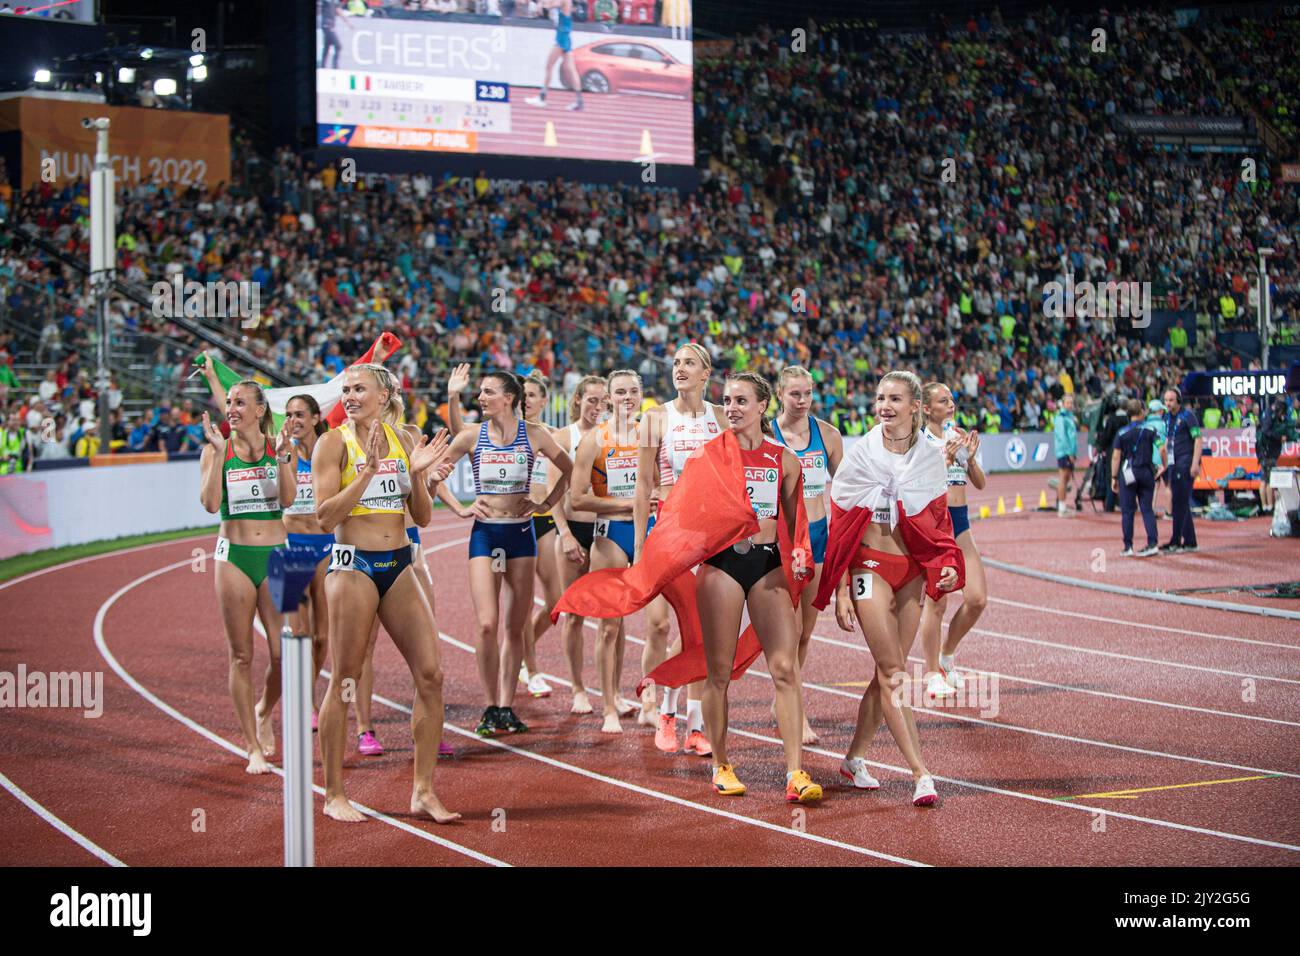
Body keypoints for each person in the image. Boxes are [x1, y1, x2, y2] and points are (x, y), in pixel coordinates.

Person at [313, 363, 458, 823]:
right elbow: (324, 517)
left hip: (399, 562)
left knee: (431, 675)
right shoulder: (332, 442)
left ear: (384, 394)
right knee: (346, 677)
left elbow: (423, 516)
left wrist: (416, 475)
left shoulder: (406, 437)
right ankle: (334, 793)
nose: (350, 396)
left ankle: (423, 791)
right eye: (346, 390)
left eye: (359, 389)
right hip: (352, 565)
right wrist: (366, 474)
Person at [815, 370, 964, 807]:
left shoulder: (932, 456)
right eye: (880, 397)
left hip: (911, 572)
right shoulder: (862, 452)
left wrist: (948, 565)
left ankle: (854, 757)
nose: (885, 406)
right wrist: (842, 588)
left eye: (895, 399)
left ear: (915, 406)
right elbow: (842, 524)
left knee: (888, 671)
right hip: (870, 567)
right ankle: (921, 773)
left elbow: (939, 523)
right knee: (893, 671)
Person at [698, 373, 822, 802]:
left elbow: (795, 520)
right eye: (727, 401)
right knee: (719, 672)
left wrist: (802, 552)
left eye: (741, 401)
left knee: (785, 669)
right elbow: (692, 515)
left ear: (762, 406)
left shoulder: (783, 459)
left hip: (767, 563)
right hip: (722, 564)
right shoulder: (710, 457)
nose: (731, 408)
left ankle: (795, 772)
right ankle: (720, 764)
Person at [442, 371, 573, 736]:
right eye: (480, 391)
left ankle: (504, 706)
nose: (481, 397)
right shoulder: (472, 434)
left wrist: (546, 502)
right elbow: (435, 475)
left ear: (510, 398)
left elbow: (569, 468)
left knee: (514, 628)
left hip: (520, 537)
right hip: (485, 536)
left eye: (488, 392)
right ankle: (488, 706)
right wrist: (459, 507)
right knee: (487, 624)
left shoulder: (534, 435)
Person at [197, 380, 297, 774]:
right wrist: (219, 457)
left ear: (260, 411)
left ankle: (264, 710)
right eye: (229, 402)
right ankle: (252, 747)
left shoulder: (278, 447)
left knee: (282, 653)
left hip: (275, 553)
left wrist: (286, 457)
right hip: (233, 555)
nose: (231, 408)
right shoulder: (214, 448)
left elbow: (288, 500)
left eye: (240, 403)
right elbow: (208, 504)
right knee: (241, 655)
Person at [634, 342, 724, 755]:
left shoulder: (720, 418)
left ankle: (693, 724)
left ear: (707, 373)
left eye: (689, 362)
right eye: (675, 363)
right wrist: (639, 548)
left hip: (711, 536)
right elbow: (641, 486)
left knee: (704, 632)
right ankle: (667, 712)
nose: (680, 368)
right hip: (670, 531)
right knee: (678, 624)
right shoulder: (656, 417)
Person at [770, 365, 843, 745]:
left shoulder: (827, 435)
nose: (802, 401)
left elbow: (846, 492)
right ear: (780, 394)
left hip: (818, 536)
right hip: (784, 540)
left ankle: (783, 699)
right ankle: (793, 710)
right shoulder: (768, 434)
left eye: (807, 393)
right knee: (790, 628)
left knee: (806, 632)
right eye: (794, 394)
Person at [569, 369, 642, 732]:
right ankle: (608, 705)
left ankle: (649, 700)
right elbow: (577, 498)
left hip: (647, 531)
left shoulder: (651, 435)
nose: (626, 397)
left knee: (654, 623)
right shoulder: (594, 440)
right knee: (609, 626)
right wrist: (624, 504)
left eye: (633, 391)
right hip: (610, 534)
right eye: (620, 392)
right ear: (609, 398)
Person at [917, 382, 986, 699]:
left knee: (976, 599)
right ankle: (931, 672)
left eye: (952, 400)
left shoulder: (960, 436)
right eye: (944, 401)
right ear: (927, 408)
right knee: (937, 602)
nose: (952, 404)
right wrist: (942, 459)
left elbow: (981, 483)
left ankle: (947, 654)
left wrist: (969, 459)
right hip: (935, 524)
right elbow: (917, 484)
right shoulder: (920, 441)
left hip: (960, 522)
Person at [547, 375, 607, 712]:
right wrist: (565, 533)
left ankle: (608, 691)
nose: (597, 407)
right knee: (573, 615)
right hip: (571, 529)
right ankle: (578, 688)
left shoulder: (612, 436)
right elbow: (554, 494)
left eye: (602, 401)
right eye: (591, 400)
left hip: (604, 532)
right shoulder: (563, 437)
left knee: (612, 616)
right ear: (578, 400)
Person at [280, 395, 333, 732]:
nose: (294, 420)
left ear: (316, 417)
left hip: (328, 545)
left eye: (300, 414)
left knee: (322, 637)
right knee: (298, 633)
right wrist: (283, 454)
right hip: (291, 547)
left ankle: (307, 691)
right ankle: (305, 701)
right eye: (288, 415)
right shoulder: (281, 450)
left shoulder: (329, 451)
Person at [1111, 399, 1163, 558]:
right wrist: (1163, 465)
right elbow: (1162, 448)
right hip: (1146, 472)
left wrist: (1113, 477)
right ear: (1141, 413)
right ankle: (1153, 543)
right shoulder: (1151, 429)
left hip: (1128, 474)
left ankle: (1128, 546)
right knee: (1147, 509)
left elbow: (1116, 457)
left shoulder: (1121, 433)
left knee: (1127, 511)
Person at [1161, 387, 1202, 552]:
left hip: (1185, 463)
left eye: (1171, 400)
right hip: (1173, 463)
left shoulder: (1188, 416)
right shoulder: (1167, 418)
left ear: (1178, 400)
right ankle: (1190, 541)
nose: (1168, 404)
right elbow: (1167, 440)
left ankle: (1176, 540)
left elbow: (1198, 439)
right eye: (1166, 400)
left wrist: (1195, 463)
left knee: (1179, 503)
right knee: (1181, 503)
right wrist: (1162, 464)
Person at [524, 0, 584, 111]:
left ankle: (542, 98)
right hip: (565, 37)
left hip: (562, 39)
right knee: (571, 70)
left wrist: (541, 3)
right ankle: (579, 101)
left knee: (548, 66)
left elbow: (551, 5)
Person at [1048, 392, 1077, 515]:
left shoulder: (1069, 417)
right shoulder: (1061, 418)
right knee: (1063, 479)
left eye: (1071, 402)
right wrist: (1069, 453)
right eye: (1067, 403)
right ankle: (1061, 508)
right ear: (1063, 404)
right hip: (1064, 452)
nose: (1070, 405)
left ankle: (1062, 505)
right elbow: (1062, 437)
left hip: (1069, 452)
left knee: (1066, 479)